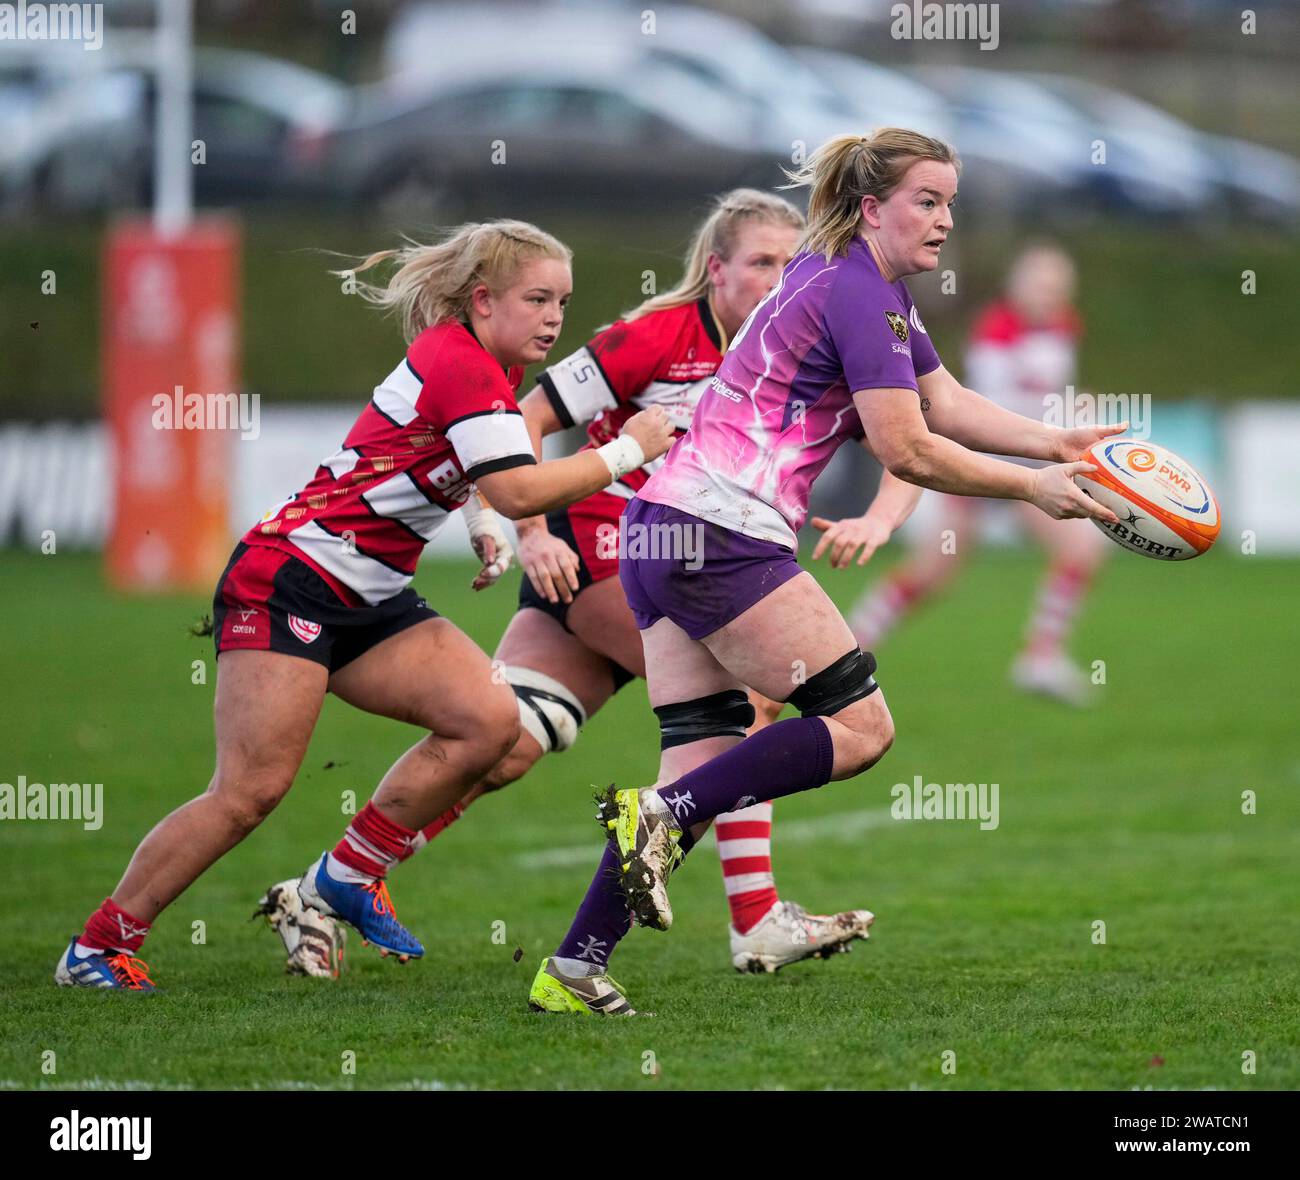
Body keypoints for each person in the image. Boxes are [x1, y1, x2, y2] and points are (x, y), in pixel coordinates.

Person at [527, 130, 1126, 1016]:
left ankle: (574, 966)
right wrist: (1031, 487)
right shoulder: (857, 290)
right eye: (928, 201)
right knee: (861, 727)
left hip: (658, 528)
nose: (945, 220)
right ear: (873, 208)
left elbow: (947, 401)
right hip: (721, 534)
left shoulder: (849, 277)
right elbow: (909, 448)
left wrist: (1054, 442)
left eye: (951, 203)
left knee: (702, 760)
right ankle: (659, 820)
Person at [260, 190, 921, 978]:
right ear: (715, 269)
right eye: (761, 262)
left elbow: (908, 433)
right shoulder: (656, 335)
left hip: (662, 565)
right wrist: (532, 534)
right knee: (748, 708)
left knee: (507, 742)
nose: (779, 278)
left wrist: (880, 517)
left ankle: (328, 883)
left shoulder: (793, 343)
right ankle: (753, 919)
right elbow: (528, 417)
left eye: (790, 262)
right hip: (609, 552)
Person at [54, 220, 674, 990]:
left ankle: (347, 875)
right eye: (538, 299)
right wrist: (627, 450)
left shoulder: (488, 366)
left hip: (371, 592)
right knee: (249, 792)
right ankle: (98, 947)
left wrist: (482, 526)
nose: (555, 318)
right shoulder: (461, 362)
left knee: (489, 722)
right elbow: (517, 485)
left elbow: (476, 470)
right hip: (291, 580)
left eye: (563, 302)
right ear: (483, 300)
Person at [847, 243, 1108, 705]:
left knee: (1081, 550)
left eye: (1057, 287)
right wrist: (1061, 415)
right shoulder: (996, 328)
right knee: (931, 574)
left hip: (1029, 465)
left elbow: (1052, 391)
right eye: (1041, 284)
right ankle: (848, 649)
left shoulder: (1064, 325)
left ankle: (1041, 657)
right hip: (983, 462)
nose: (1049, 295)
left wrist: (1073, 405)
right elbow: (991, 404)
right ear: (1017, 286)